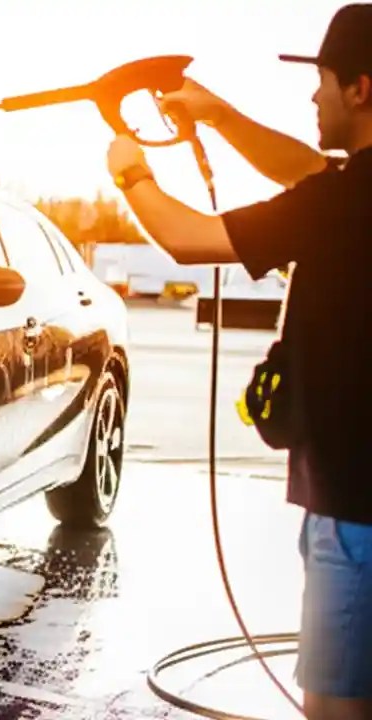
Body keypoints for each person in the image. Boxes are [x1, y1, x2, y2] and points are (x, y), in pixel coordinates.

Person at [105, 5, 372, 718]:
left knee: (337, 710)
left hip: (355, 512)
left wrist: (129, 173)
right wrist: (216, 115)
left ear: (361, 89)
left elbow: (189, 239)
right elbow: (310, 171)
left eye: (322, 81)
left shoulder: (341, 204)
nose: (312, 97)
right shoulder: (349, 194)